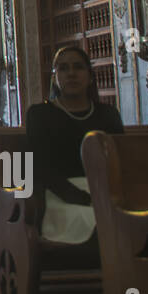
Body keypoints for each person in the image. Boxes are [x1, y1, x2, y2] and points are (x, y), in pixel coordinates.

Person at [24, 46, 124, 248]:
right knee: (93, 221)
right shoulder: (39, 115)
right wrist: (83, 198)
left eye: (78, 67)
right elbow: (40, 168)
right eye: (63, 68)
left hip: (105, 193)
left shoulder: (108, 114)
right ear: (55, 78)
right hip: (59, 198)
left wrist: (105, 196)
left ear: (90, 76)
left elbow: (120, 161)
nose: (71, 74)